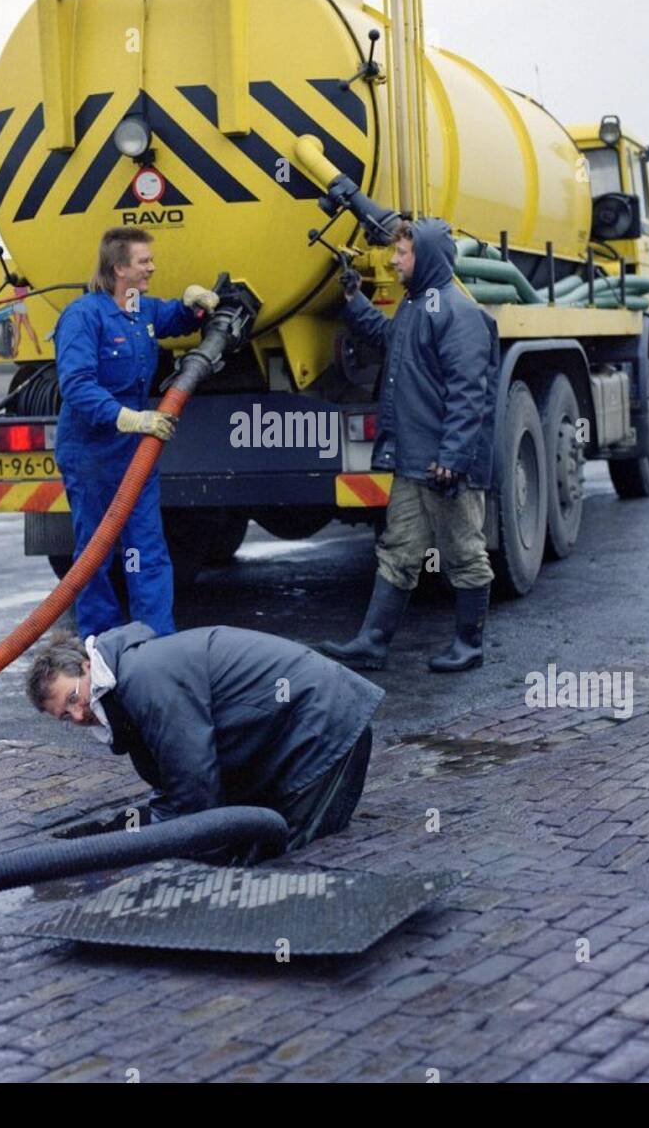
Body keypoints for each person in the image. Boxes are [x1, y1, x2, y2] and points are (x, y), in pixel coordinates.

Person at [25, 623, 381, 863]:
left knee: (292, 854)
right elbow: (171, 778)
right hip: (300, 725)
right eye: (65, 716)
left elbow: (194, 779)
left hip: (325, 721)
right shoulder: (126, 684)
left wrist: (181, 858)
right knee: (261, 840)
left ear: (87, 667)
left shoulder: (143, 677)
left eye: (72, 697)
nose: (77, 713)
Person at [318, 217, 500, 672]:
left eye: (402, 254)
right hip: (414, 461)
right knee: (399, 550)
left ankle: (469, 645)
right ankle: (372, 643)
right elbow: (389, 339)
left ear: (427, 257)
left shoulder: (458, 313)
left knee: (463, 552)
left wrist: (453, 459)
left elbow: (469, 391)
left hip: (444, 466)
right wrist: (353, 299)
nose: (394, 261)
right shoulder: (418, 306)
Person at [52, 227, 220, 638]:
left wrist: (191, 304)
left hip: (134, 452)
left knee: (146, 548)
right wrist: (127, 417)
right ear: (119, 268)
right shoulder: (83, 316)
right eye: (144, 261)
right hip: (91, 451)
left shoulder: (138, 308)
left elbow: (170, 318)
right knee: (96, 550)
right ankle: (100, 642)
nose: (152, 267)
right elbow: (76, 385)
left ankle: (156, 640)